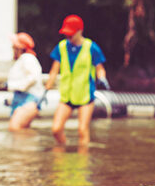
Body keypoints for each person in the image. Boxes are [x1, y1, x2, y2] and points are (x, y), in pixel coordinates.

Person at [44, 15, 110, 146]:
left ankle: (82, 161)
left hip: (85, 96)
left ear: (80, 31)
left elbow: (100, 68)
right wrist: (45, 90)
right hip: (67, 96)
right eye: (66, 34)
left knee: (82, 130)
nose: (68, 37)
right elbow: (54, 71)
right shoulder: (61, 47)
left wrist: (102, 78)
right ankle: (64, 150)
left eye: (70, 34)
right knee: (56, 129)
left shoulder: (91, 47)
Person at [6, 32, 44, 130]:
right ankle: (30, 145)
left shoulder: (27, 58)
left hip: (29, 99)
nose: (12, 49)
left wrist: (12, 86)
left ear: (20, 48)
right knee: (22, 130)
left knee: (14, 128)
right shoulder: (22, 60)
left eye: (14, 47)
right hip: (23, 99)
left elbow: (33, 78)